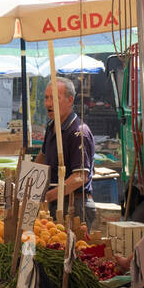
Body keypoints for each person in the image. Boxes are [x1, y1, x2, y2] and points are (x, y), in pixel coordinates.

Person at [35, 77, 96, 229]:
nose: (48, 104)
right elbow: (42, 157)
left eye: (55, 98)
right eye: (46, 98)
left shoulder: (79, 132)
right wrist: (26, 183)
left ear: (70, 100)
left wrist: (47, 196)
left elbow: (80, 177)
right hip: (54, 202)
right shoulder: (51, 126)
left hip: (75, 206)